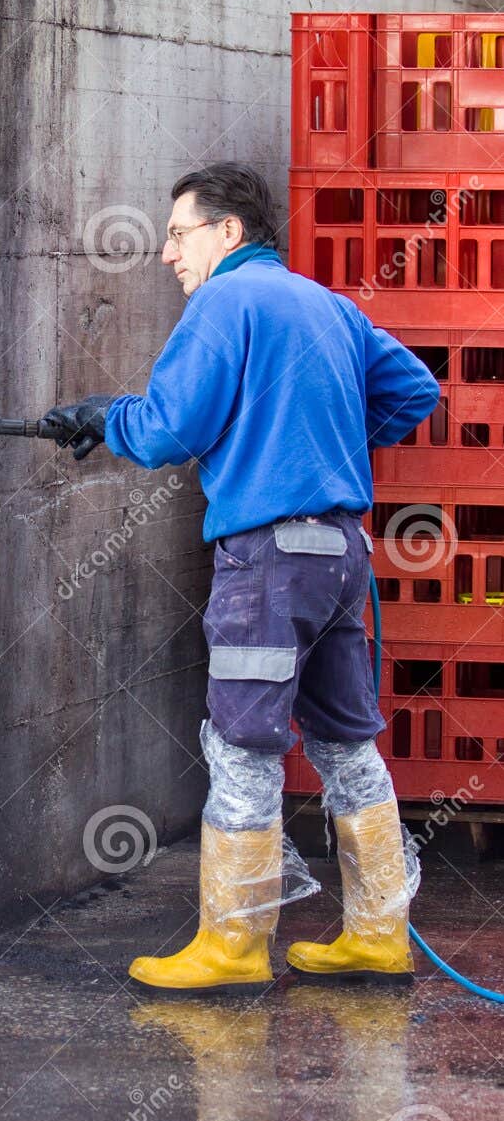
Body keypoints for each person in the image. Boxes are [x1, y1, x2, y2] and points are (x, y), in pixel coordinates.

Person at [41, 163, 440, 993]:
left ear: (229, 233)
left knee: (242, 743)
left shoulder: (223, 301)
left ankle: (231, 942)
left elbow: (166, 432)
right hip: (338, 557)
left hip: (266, 565)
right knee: (343, 742)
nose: (165, 253)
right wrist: (316, 440)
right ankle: (376, 933)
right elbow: (413, 389)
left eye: (178, 233)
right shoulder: (325, 303)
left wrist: (100, 415)